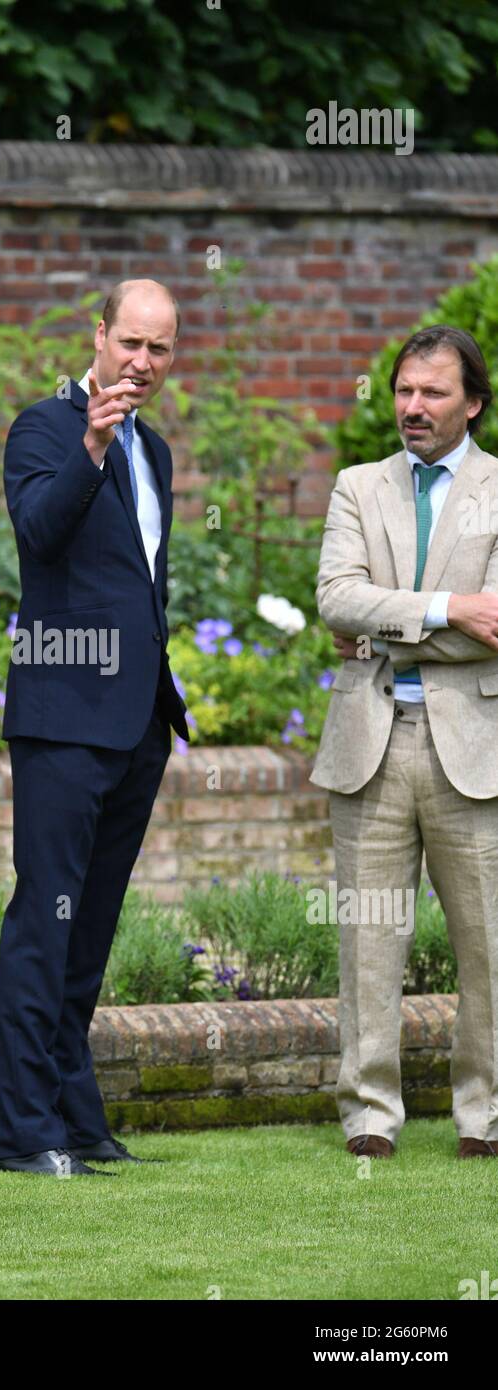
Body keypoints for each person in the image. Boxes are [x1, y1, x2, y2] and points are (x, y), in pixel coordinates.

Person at [0, 279, 190, 1176]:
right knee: (46, 917)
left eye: (159, 349)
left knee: (92, 924)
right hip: (63, 717)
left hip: (138, 721)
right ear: (98, 333)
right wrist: (93, 444)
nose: (141, 363)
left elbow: (140, 583)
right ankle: (24, 1130)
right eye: (129, 344)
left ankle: (75, 1116)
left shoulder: (158, 452)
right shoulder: (45, 426)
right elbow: (39, 533)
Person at [311, 324, 498, 1160]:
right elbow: (336, 601)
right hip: (369, 744)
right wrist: (450, 610)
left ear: (474, 403)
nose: (412, 408)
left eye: (432, 393)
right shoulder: (358, 486)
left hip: (478, 747)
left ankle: (483, 1117)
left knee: (488, 944)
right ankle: (370, 1115)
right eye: (403, 392)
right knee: (368, 941)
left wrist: (392, 624)